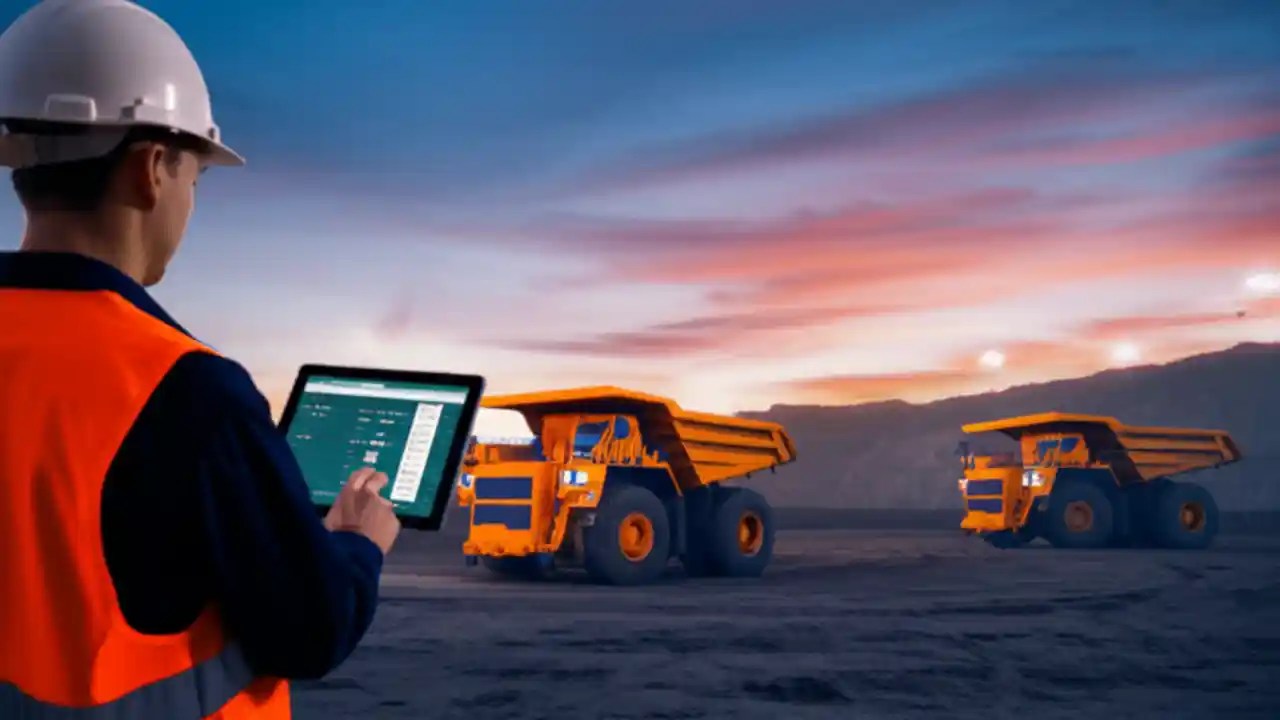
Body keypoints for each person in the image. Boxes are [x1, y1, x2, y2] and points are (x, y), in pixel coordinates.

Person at [0, 1, 401, 717]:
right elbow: (310, 629)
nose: (190, 202)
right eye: (196, 178)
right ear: (151, 169)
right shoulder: (190, 392)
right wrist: (358, 546)